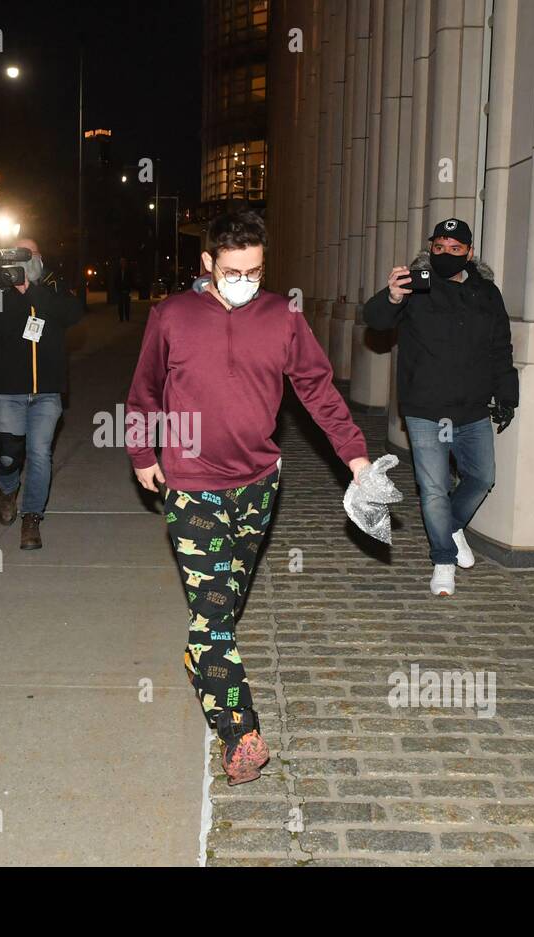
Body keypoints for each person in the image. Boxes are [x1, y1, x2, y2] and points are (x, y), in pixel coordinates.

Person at [126, 209, 370, 786]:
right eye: (234, 270)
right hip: (191, 485)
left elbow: (316, 389)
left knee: (222, 609)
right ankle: (241, 735)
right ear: (208, 263)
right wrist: (142, 454)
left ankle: (202, 661)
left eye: (256, 270)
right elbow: (143, 395)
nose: (246, 280)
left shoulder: (282, 314)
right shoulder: (172, 316)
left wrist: (355, 456)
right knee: (212, 616)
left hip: (259, 484)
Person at [360, 217, 518, 597]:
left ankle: (449, 526)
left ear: (470, 253)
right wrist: (393, 296)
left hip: (472, 407)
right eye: (439, 247)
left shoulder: (487, 293)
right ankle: (443, 561)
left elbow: (501, 348)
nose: (445, 254)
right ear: (430, 248)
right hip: (426, 406)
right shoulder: (416, 285)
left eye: (455, 248)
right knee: (433, 489)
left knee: (481, 478)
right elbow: (376, 320)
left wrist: (507, 394)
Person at [0, 237, 82, 550]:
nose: (22, 259)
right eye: (15, 254)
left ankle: (32, 517)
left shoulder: (53, 286)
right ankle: (8, 490)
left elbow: (71, 314)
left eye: (28, 253)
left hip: (47, 390)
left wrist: (29, 290)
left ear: (39, 257)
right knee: (8, 455)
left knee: (40, 454)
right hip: (8, 389)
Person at [113, 256, 134, 322]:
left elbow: (131, 281)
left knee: (127, 305)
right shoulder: (118, 271)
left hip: (126, 291)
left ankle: (127, 318)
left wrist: (129, 289)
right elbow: (116, 281)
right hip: (120, 291)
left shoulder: (128, 271)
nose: (122, 263)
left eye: (123, 262)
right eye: (121, 262)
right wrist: (117, 289)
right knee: (120, 305)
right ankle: (121, 318)